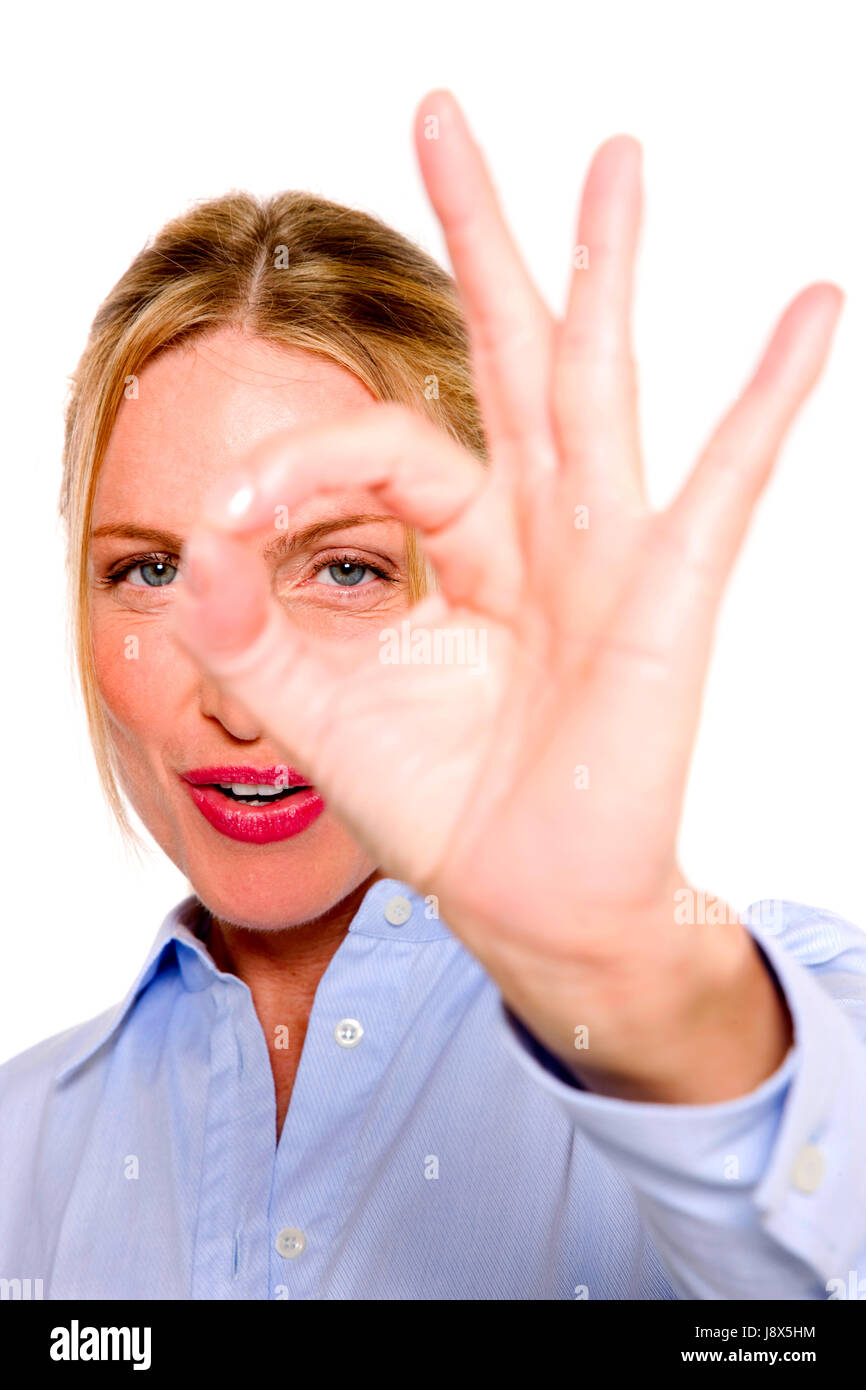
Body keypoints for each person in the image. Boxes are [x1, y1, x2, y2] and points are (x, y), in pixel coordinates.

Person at [1, 87, 864, 1301]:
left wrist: (648, 989)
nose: (245, 703)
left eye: (347, 568)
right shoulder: (18, 1150)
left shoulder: (753, 1027)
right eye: (149, 569)